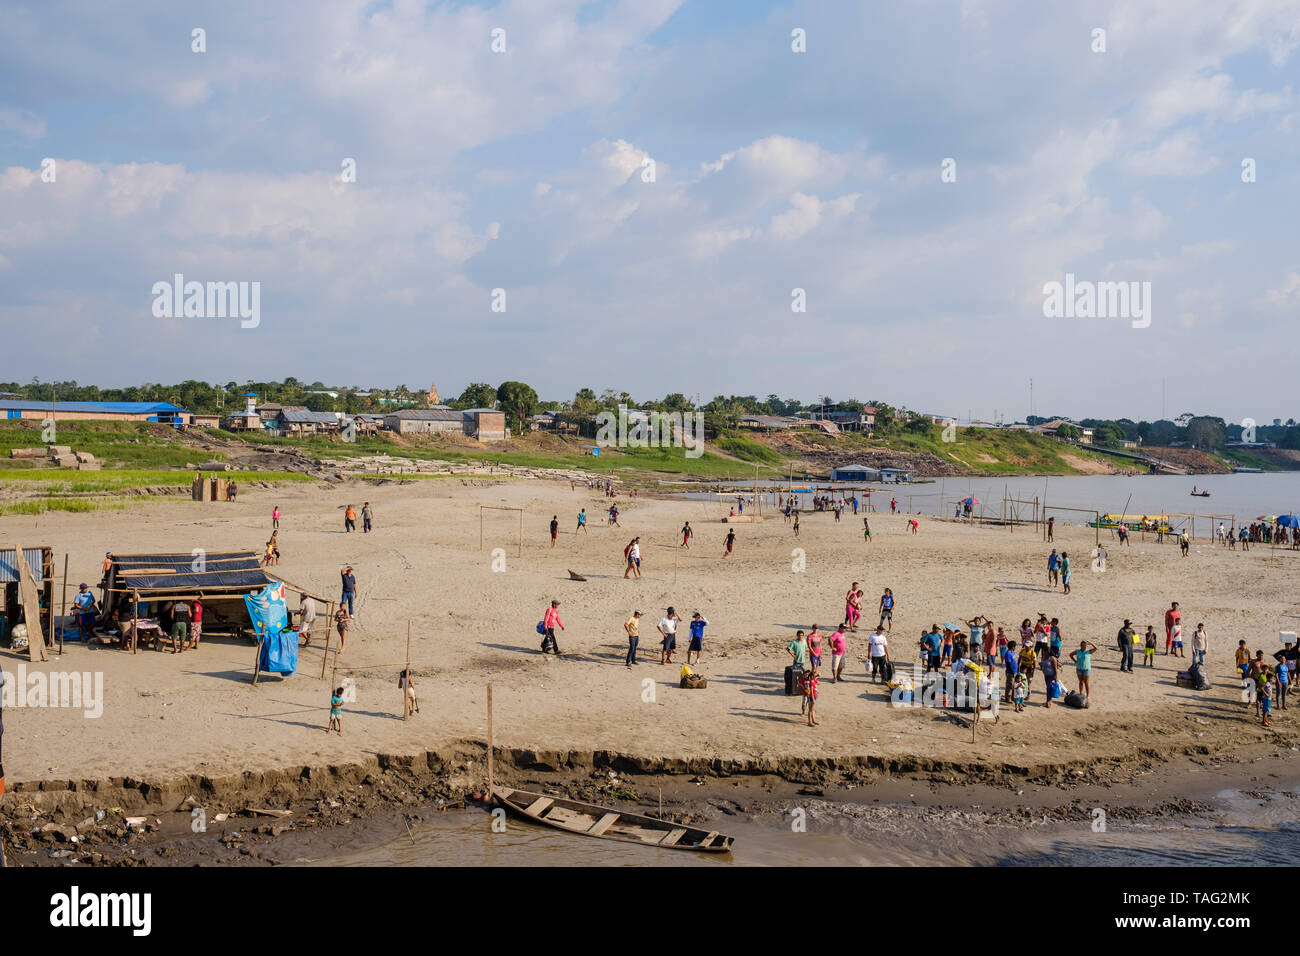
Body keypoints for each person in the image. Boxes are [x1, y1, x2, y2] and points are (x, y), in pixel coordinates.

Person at [787, 631, 809, 712]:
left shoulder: (804, 641)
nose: (801, 637)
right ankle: (795, 688)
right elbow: (788, 649)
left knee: (802, 675)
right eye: (799, 635)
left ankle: (800, 688)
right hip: (796, 661)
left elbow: (806, 647)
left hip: (802, 660)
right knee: (795, 675)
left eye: (802, 635)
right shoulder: (794, 642)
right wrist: (793, 655)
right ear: (797, 635)